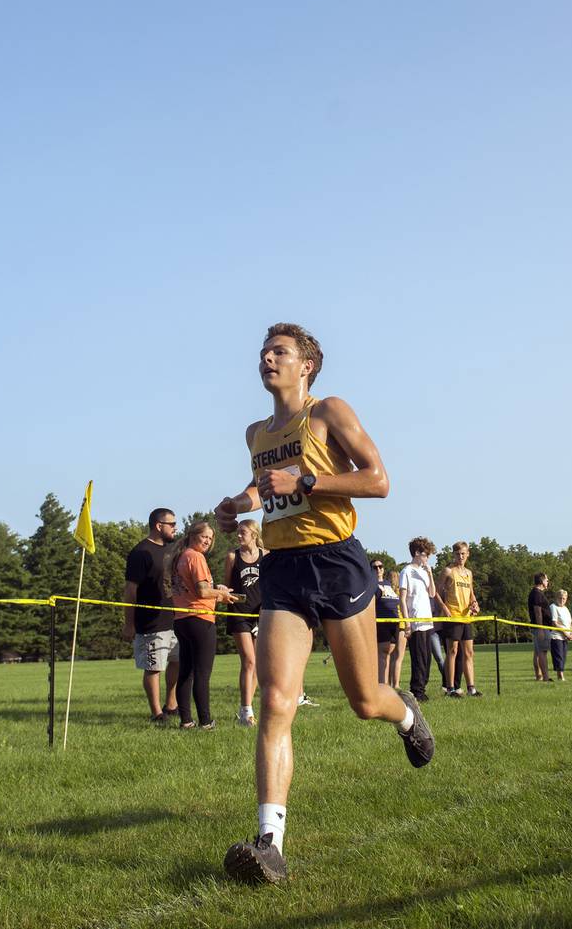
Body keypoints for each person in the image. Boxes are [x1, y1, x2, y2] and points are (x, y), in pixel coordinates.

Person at [215, 323, 433, 884]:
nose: (267, 357)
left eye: (279, 351)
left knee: (364, 699)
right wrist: (236, 504)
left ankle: (405, 713)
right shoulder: (256, 432)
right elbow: (264, 490)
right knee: (276, 701)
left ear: (305, 365)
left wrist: (306, 480)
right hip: (284, 569)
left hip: (336, 561)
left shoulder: (328, 412)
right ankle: (270, 844)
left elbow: (379, 480)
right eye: (264, 351)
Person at [169, 521, 241, 730]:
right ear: (193, 535)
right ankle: (206, 722)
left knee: (186, 670)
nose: (208, 541)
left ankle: (186, 721)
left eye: (211, 538)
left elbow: (195, 589)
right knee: (202, 672)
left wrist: (216, 589)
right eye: (205, 536)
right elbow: (201, 592)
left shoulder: (180, 557)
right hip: (200, 619)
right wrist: (223, 594)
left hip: (181, 620)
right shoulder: (196, 557)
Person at [122, 508, 182, 722]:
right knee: (154, 666)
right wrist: (129, 623)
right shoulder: (140, 552)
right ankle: (156, 713)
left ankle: (171, 704)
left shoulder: (171, 550)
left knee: (177, 661)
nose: (175, 527)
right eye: (171, 524)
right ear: (159, 526)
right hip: (150, 622)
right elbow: (130, 590)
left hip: (174, 619)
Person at [224, 519, 267, 726]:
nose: (239, 535)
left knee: (257, 663)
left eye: (243, 532)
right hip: (239, 613)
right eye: (238, 532)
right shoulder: (233, 556)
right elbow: (228, 587)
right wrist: (225, 594)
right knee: (248, 661)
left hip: (260, 614)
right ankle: (246, 710)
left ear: (254, 534)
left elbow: (270, 583)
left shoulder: (265, 555)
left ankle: (247, 709)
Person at [438, 542, 482, 697]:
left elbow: (471, 593)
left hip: (466, 617)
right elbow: (436, 592)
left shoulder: (468, 573)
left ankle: (471, 688)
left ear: (468, 554)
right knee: (452, 651)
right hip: (452, 617)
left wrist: (475, 604)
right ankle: (450, 688)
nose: (460, 556)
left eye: (463, 553)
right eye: (457, 554)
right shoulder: (448, 571)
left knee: (469, 653)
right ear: (453, 554)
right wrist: (444, 608)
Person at [398, 538, 439, 702]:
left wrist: (429, 573)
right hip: (415, 620)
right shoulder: (406, 571)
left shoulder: (423, 571)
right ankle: (417, 690)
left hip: (427, 620)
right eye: (425, 555)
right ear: (417, 553)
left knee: (427, 658)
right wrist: (407, 623)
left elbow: (432, 594)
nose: (427, 558)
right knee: (419, 658)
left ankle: (422, 688)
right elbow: (402, 598)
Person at [372, 561, 405, 688]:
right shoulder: (371, 584)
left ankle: (391, 685)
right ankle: (382, 684)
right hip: (381, 621)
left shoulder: (388, 584)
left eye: (380, 566)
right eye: (375, 567)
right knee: (383, 653)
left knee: (391, 653)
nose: (378, 569)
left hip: (394, 622)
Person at [527, 573, 552, 682]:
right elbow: (538, 612)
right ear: (542, 581)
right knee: (542, 651)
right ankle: (545, 677)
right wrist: (541, 628)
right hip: (541, 627)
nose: (548, 582)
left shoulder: (537, 593)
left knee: (537, 652)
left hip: (539, 627)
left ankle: (539, 676)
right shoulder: (537, 594)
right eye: (546, 580)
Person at [548, 589, 572, 680]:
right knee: (559, 657)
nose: (562, 600)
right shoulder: (553, 607)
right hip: (556, 636)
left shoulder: (566, 609)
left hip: (565, 637)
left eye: (564, 598)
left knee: (564, 657)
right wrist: (565, 632)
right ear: (556, 598)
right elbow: (554, 623)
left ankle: (560, 675)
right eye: (560, 598)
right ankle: (561, 676)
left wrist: (571, 633)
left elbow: (570, 623)